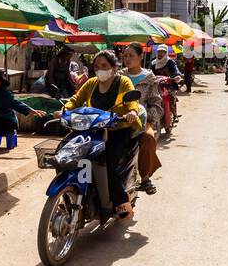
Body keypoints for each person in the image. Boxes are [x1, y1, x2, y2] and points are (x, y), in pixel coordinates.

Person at [62, 50, 142, 220]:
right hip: (93, 130)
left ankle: (120, 202)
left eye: (104, 66)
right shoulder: (91, 83)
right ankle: (70, 193)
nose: (100, 70)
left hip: (118, 129)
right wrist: (64, 110)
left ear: (113, 67)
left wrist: (132, 112)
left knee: (107, 163)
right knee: (64, 153)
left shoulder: (123, 81)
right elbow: (76, 99)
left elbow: (132, 102)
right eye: (97, 66)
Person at [120, 42, 163, 194]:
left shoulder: (150, 78)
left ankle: (145, 178)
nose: (127, 58)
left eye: (131, 55)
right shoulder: (119, 76)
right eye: (125, 55)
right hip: (120, 118)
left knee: (148, 138)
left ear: (140, 56)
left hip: (142, 121)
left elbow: (157, 104)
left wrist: (147, 118)